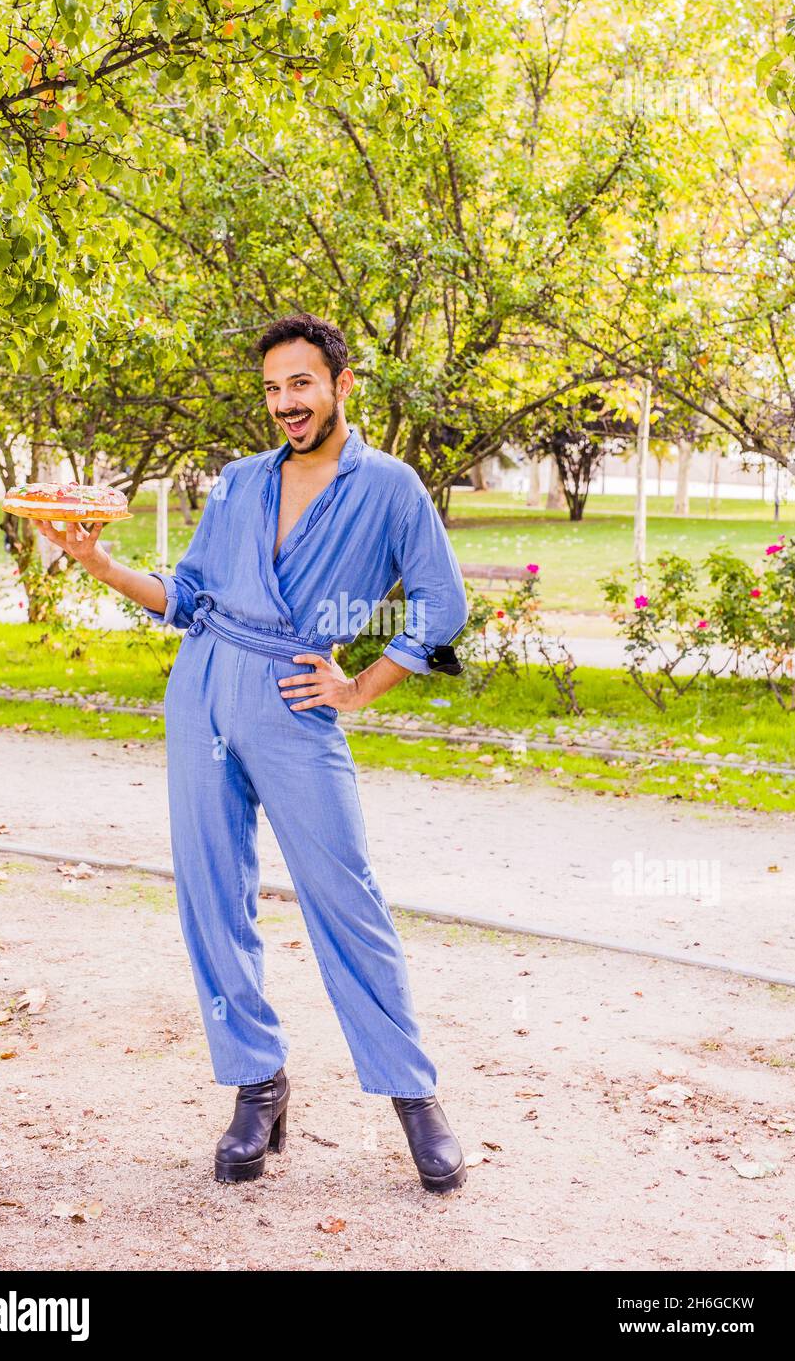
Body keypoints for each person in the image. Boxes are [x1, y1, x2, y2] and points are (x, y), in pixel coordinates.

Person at [37, 312, 470, 1195]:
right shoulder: (237, 482)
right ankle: (256, 1085)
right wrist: (98, 563)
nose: (286, 403)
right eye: (273, 389)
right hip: (201, 690)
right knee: (211, 892)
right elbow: (188, 595)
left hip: (292, 698)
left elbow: (440, 605)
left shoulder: (391, 488)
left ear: (342, 385)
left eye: (301, 384)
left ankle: (414, 1096)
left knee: (345, 896)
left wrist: (357, 689)